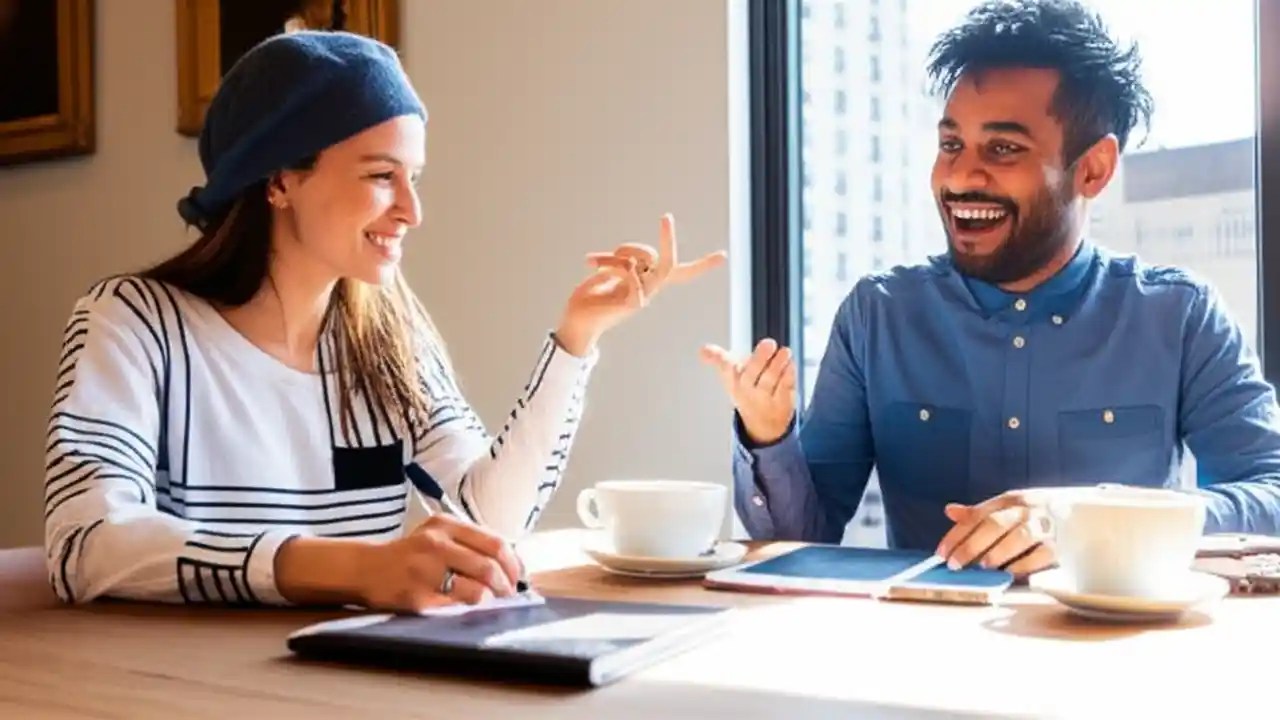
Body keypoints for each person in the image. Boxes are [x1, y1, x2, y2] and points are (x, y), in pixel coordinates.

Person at [43, 31, 723, 611]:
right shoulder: (133, 323)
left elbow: (485, 520)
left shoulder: (386, 336)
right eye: (380, 176)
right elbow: (87, 543)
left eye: (414, 178)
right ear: (278, 181)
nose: (411, 211)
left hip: (355, 682)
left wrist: (578, 339)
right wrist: (355, 569)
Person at [705, 0, 1280, 577]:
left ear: (1094, 169)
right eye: (951, 143)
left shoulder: (1179, 317)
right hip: (920, 646)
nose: (960, 176)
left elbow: (1273, 494)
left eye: (1003, 149)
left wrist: (1088, 518)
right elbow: (805, 537)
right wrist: (768, 433)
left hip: (1113, 651)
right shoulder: (877, 315)